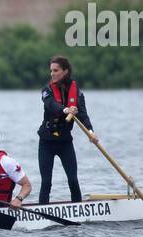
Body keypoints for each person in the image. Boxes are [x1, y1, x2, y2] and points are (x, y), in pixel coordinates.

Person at [38, 55, 99, 204]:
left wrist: (90, 132)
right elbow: (51, 105)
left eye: (56, 70)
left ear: (65, 71)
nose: (52, 73)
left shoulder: (76, 92)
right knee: (46, 182)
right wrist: (65, 110)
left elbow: (83, 115)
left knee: (73, 180)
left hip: (65, 142)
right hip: (46, 142)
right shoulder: (47, 90)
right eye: (51, 70)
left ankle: (78, 210)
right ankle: (41, 214)